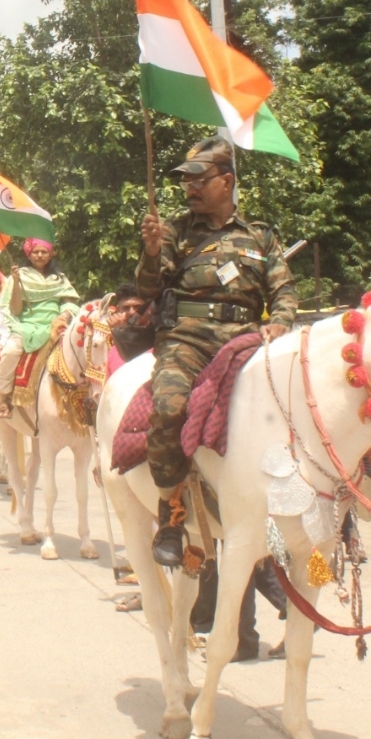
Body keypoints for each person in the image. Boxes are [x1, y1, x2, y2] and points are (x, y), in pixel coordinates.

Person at [138, 136, 297, 567]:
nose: (189, 188)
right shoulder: (173, 230)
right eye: (184, 181)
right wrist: (151, 252)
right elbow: (148, 288)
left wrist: (280, 320)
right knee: (168, 407)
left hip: (244, 339)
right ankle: (170, 512)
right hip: (187, 339)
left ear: (226, 181)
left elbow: (282, 289)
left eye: (198, 179)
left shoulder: (260, 236)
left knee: (299, 399)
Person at [0, 238, 80, 415]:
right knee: (9, 352)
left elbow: (70, 304)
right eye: (36, 252)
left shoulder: (60, 278)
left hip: (57, 327)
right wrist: (17, 283)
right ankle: (5, 396)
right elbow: (16, 309)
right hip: (27, 328)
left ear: (50, 254)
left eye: (44, 252)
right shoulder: (19, 275)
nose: (40, 255)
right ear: (29, 254)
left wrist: (64, 315)